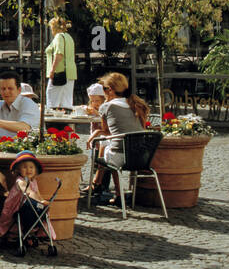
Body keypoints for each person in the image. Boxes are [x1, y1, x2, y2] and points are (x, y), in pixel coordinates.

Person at [87, 72, 150, 204]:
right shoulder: (134, 104)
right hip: (142, 156)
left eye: (104, 88)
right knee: (110, 144)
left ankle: (117, 193)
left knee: (108, 145)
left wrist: (94, 134)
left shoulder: (107, 106)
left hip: (121, 157)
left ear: (109, 90)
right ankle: (97, 183)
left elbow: (106, 132)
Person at [0, 150, 56, 246]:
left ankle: (29, 234)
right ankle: (13, 236)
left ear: (35, 170)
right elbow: (29, 192)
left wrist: (42, 200)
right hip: (17, 206)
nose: (28, 170)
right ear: (18, 170)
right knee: (22, 217)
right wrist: (40, 201)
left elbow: (37, 193)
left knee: (40, 212)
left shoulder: (33, 181)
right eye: (24, 167)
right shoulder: (20, 181)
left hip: (29, 205)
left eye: (31, 167)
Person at [0, 71, 39, 138]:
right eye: (3, 89)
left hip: (24, 147)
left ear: (19, 90)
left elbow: (25, 127)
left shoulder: (28, 104)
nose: (6, 92)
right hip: (0, 146)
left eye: (10, 88)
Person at [44, 16, 77, 109]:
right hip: (70, 72)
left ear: (54, 27)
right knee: (66, 101)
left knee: (52, 98)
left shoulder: (58, 37)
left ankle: (53, 122)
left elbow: (59, 54)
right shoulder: (69, 37)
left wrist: (52, 70)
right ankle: (66, 122)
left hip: (60, 71)